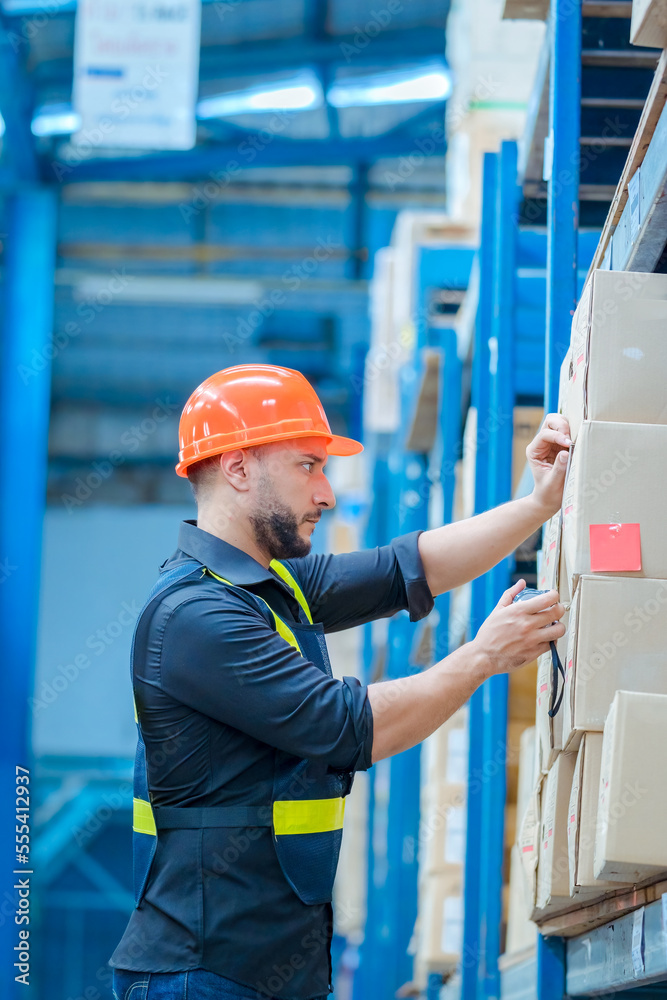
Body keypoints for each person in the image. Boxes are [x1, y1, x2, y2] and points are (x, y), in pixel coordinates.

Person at [110, 364, 569, 1000]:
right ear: (240, 468)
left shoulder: (274, 589)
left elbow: (411, 567)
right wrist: (484, 655)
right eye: (308, 466)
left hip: (269, 972)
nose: (325, 493)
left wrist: (538, 503)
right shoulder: (195, 617)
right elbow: (347, 726)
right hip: (203, 975)